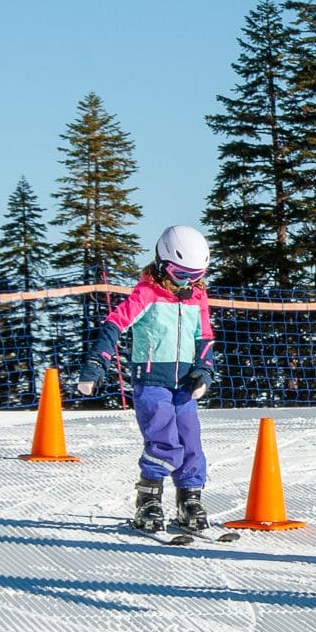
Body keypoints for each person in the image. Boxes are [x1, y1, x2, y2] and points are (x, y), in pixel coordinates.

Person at [77, 224, 216, 532]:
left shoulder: (196, 297)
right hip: (152, 382)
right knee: (164, 440)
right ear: (163, 263)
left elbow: (204, 337)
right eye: (181, 275)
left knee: (191, 441)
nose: (188, 283)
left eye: (196, 276)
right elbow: (114, 324)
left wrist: (205, 371)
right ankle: (149, 501)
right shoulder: (147, 294)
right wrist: (96, 364)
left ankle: (189, 499)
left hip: (184, 385)